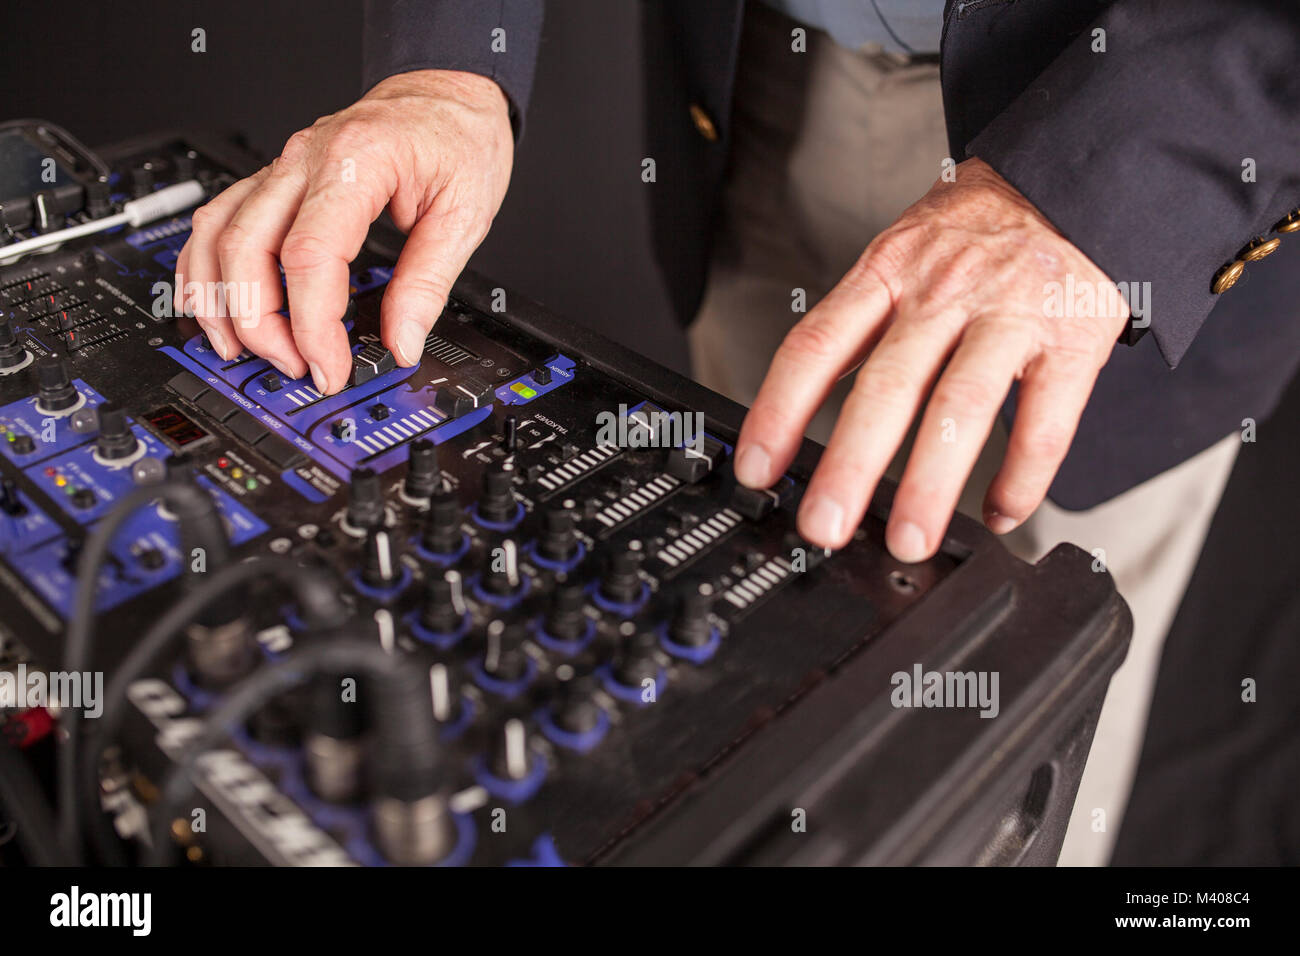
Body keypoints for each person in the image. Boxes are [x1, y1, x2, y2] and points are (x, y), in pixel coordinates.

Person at [171, 0, 1300, 864]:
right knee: (753, 605)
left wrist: (1102, 187)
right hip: (766, 86)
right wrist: (443, 64)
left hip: (1135, 150)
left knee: (1036, 679)